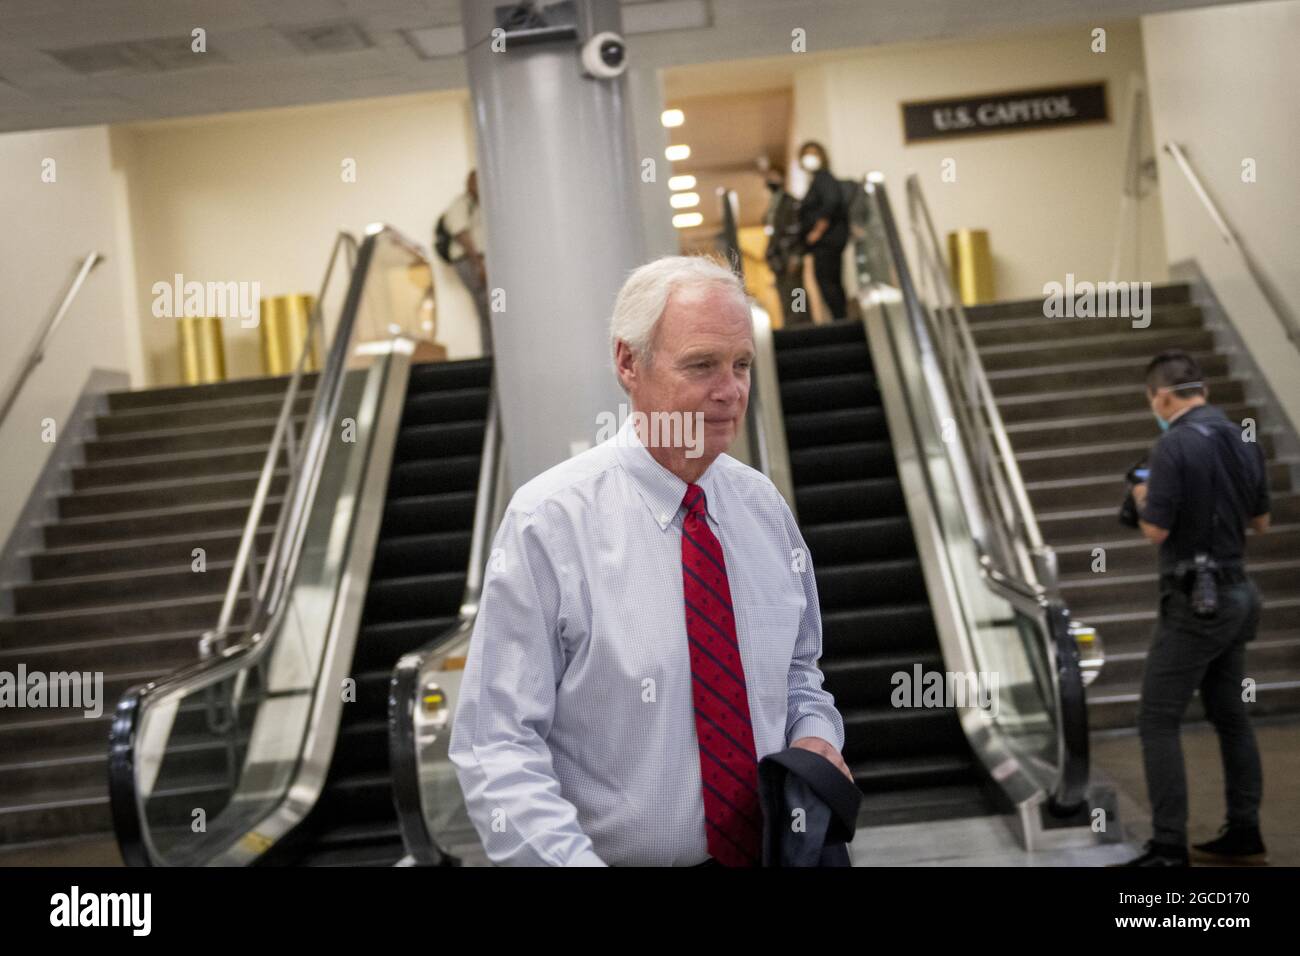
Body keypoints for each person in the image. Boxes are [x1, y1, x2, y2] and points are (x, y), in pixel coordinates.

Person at [448, 255, 849, 866]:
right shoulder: (550, 523)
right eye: (701, 365)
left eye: (742, 364)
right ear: (628, 364)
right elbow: (495, 743)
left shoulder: (763, 509)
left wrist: (815, 738)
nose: (730, 389)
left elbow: (799, 675)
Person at [1119, 349, 1269, 867]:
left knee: (1156, 718)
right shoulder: (1242, 439)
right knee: (1230, 714)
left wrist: (1141, 494)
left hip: (1196, 603)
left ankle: (1167, 845)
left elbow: (1155, 530)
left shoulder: (1173, 445)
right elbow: (1262, 522)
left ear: (1161, 396)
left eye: (1152, 401)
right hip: (1239, 593)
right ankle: (1244, 829)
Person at [439, 169, 492, 353]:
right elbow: (462, 235)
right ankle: (490, 356)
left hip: (479, 261)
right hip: (468, 261)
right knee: (488, 308)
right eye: (474, 182)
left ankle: (492, 355)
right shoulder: (461, 205)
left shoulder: (480, 205)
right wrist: (478, 265)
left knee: (488, 309)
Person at [794, 140, 848, 321]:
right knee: (831, 281)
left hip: (827, 241)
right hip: (827, 242)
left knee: (827, 282)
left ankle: (840, 319)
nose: (809, 158)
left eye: (813, 153)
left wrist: (817, 231)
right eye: (806, 154)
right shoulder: (816, 181)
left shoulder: (823, 178)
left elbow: (831, 202)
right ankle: (840, 318)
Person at [761, 164, 806, 326]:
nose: (770, 181)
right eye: (768, 177)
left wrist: (796, 255)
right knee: (784, 292)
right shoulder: (773, 205)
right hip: (778, 257)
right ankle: (791, 322)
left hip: (790, 253)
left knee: (796, 290)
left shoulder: (790, 202)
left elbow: (797, 229)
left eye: (774, 176)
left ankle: (801, 321)